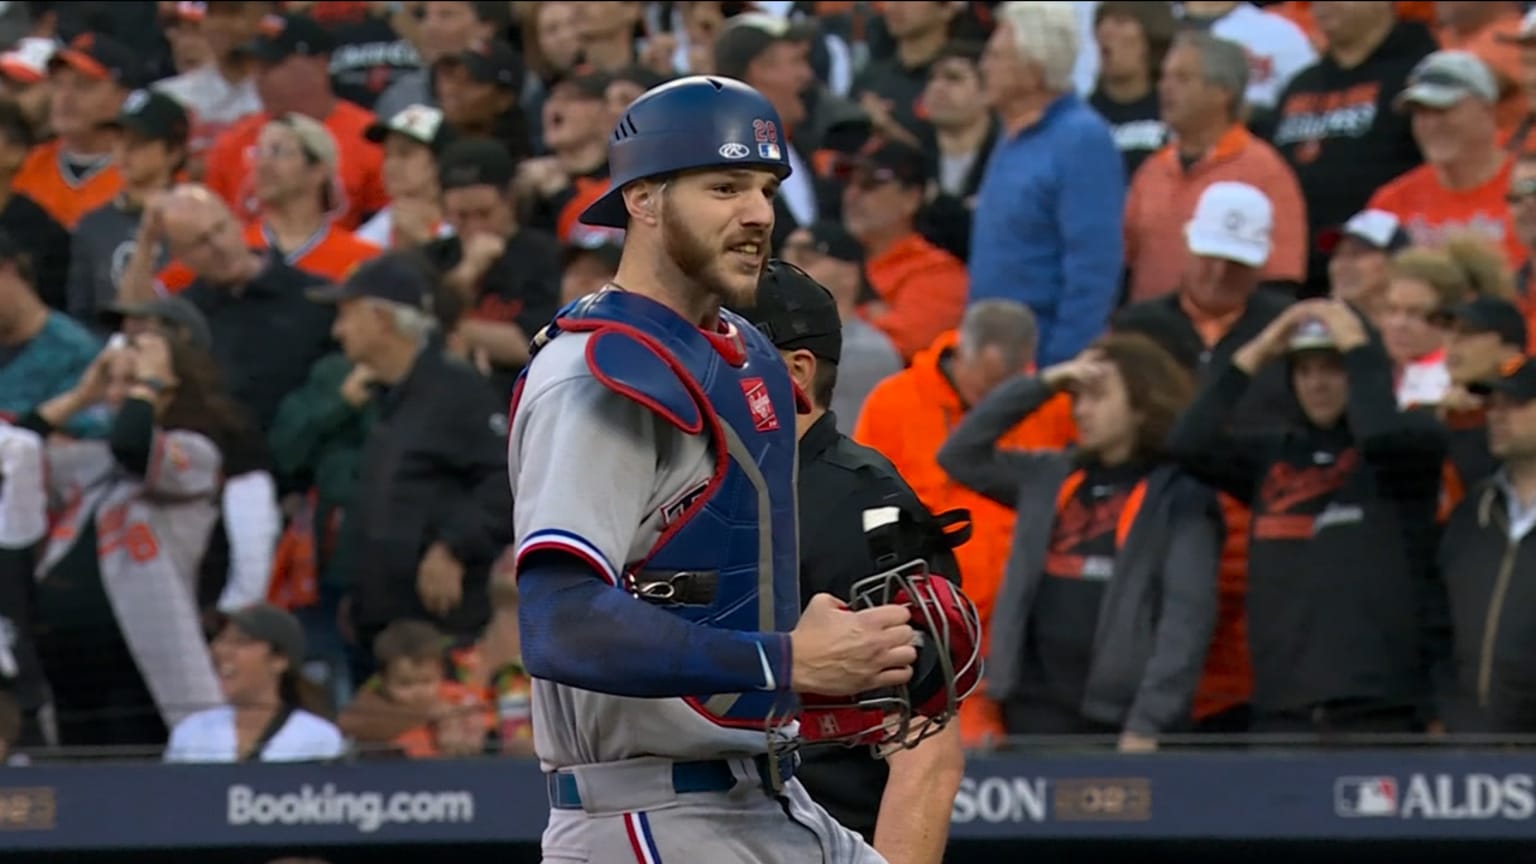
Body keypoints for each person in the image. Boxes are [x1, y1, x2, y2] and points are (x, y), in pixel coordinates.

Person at [505, 75, 978, 863]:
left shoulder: (745, 352)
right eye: (724, 186)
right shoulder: (599, 371)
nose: (758, 213)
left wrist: (833, 676)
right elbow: (560, 624)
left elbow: (706, 588)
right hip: (650, 814)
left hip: (769, 792)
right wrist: (791, 660)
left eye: (764, 188)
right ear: (644, 199)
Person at [736, 261, 968, 864]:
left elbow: (926, 754)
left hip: (827, 840)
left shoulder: (866, 505)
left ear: (794, 372)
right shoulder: (713, 488)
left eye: (725, 352)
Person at [939, 332, 1221, 748]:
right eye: (1076, 397)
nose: (1081, 410)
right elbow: (961, 453)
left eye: (1097, 396)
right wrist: (1046, 382)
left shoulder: (1179, 497)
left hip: (1123, 725)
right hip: (1031, 711)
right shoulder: (1049, 476)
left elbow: (1185, 622)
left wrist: (1148, 724)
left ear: (1142, 405)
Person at [164, 603, 346, 763]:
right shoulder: (191, 733)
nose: (220, 650)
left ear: (279, 660)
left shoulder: (318, 738)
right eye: (221, 640)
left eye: (240, 642)